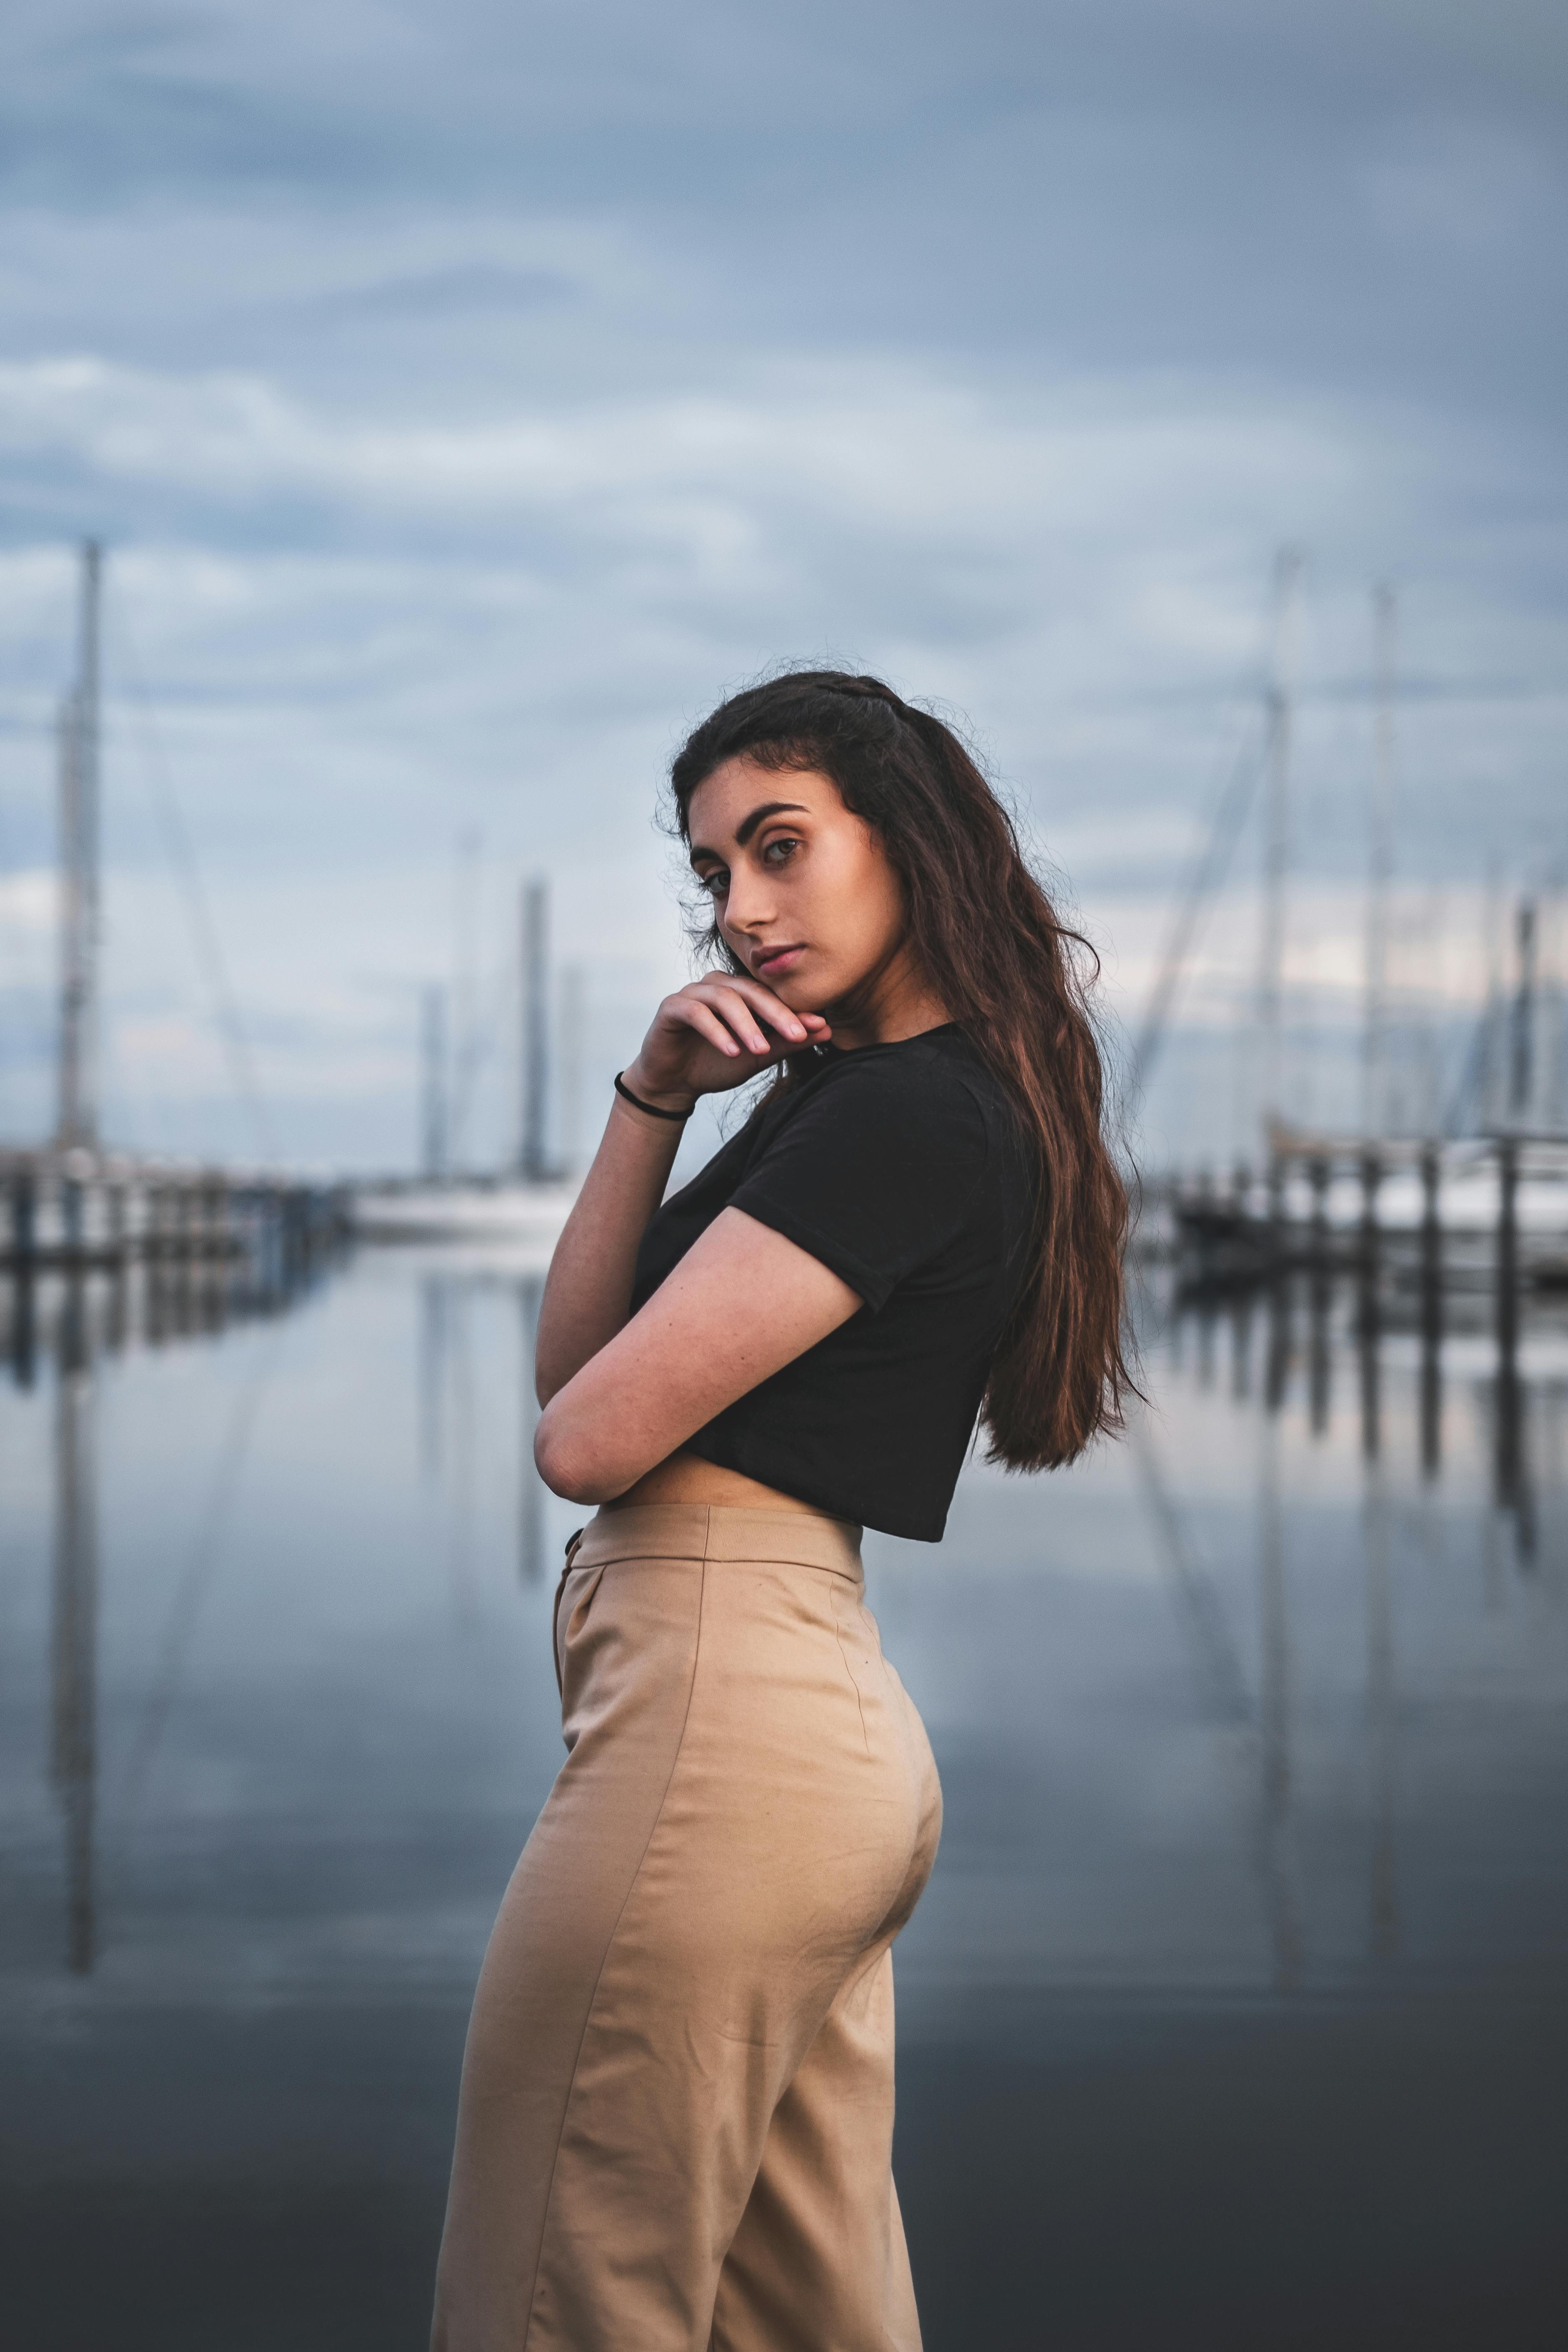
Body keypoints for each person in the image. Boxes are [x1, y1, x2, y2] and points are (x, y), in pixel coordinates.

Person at [430, 670, 1131, 2352]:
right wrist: (655, 1090)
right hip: (799, 1735)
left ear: (911, 841)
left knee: (558, 2298)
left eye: (779, 848)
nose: (739, 912)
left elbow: (585, 1444)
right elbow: (578, 1368)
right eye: (713, 874)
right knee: (805, 2318)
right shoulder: (890, 1099)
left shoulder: (905, 1113)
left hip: (719, 1737)